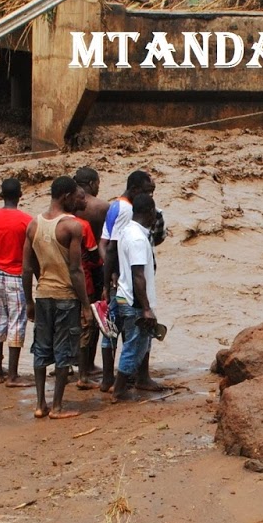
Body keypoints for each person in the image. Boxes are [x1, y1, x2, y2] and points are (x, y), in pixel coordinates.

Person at [21, 176, 89, 419]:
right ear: (66, 197)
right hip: (65, 297)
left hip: (42, 296)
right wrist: (86, 306)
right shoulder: (72, 226)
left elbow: (27, 269)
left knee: (40, 350)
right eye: (76, 196)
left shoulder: (33, 225)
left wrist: (29, 301)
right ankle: (57, 406)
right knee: (64, 351)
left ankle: (40, 405)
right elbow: (76, 270)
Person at [112, 193, 163, 400]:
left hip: (127, 296)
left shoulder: (127, 231)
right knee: (134, 345)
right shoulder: (137, 239)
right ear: (150, 213)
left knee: (143, 341)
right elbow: (138, 274)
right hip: (134, 301)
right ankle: (119, 389)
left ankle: (142, 379)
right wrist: (146, 308)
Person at [0, 178, 33, 386]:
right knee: (16, 325)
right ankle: (12, 375)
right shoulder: (27, 221)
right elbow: (32, 255)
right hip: (17, 276)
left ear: (1, 195)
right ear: (20, 195)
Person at [72, 167, 107, 390]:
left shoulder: (67, 207)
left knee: (70, 318)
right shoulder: (102, 207)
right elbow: (107, 241)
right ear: (92, 183)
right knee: (91, 316)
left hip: (66, 269)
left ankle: (66, 364)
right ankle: (88, 366)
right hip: (92, 267)